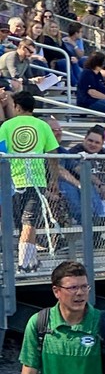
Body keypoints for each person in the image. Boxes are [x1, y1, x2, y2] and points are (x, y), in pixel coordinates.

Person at [0, 91, 61, 272]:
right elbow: (53, 154)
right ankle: (25, 263)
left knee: (24, 222)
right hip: (35, 180)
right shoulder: (42, 126)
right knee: (29, 221)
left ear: (17, 107)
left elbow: (2, 151)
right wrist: (54, 179)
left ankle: (30, 261)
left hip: (11, 180)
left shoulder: (6, 126)